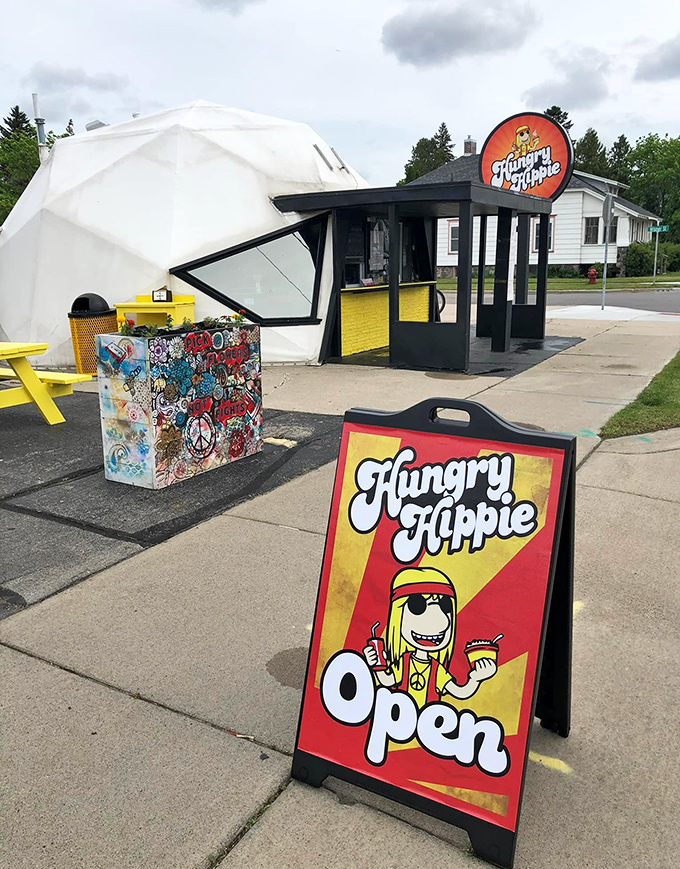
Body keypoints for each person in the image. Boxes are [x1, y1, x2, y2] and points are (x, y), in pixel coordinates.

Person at [363, 566, 497, 708]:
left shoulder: (436, 669)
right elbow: (387, 681)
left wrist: (476, 678)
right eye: (417, 606)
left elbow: (460, 692)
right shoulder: (405, 661)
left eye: (445, 606)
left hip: (430, 724)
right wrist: (376, 664)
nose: (441, 623)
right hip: (397, 720)